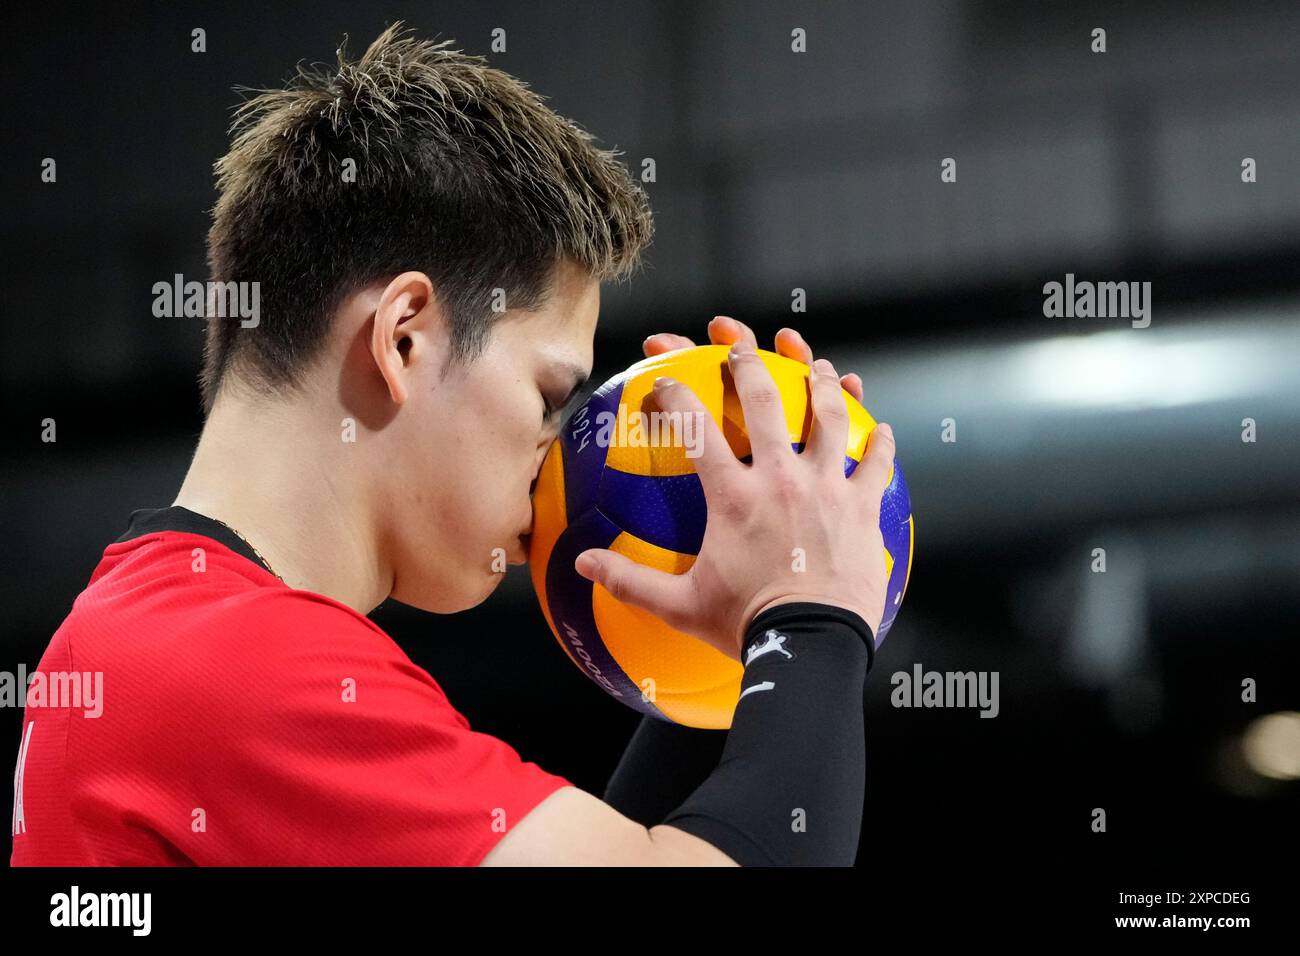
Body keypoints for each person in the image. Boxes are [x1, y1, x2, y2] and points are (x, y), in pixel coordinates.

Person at [9, 24, 894, 867]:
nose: (559, 452)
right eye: (551, 395)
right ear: (404, 339)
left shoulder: (156, 635)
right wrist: (808, 607)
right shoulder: (239, 667)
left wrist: (722, 625)